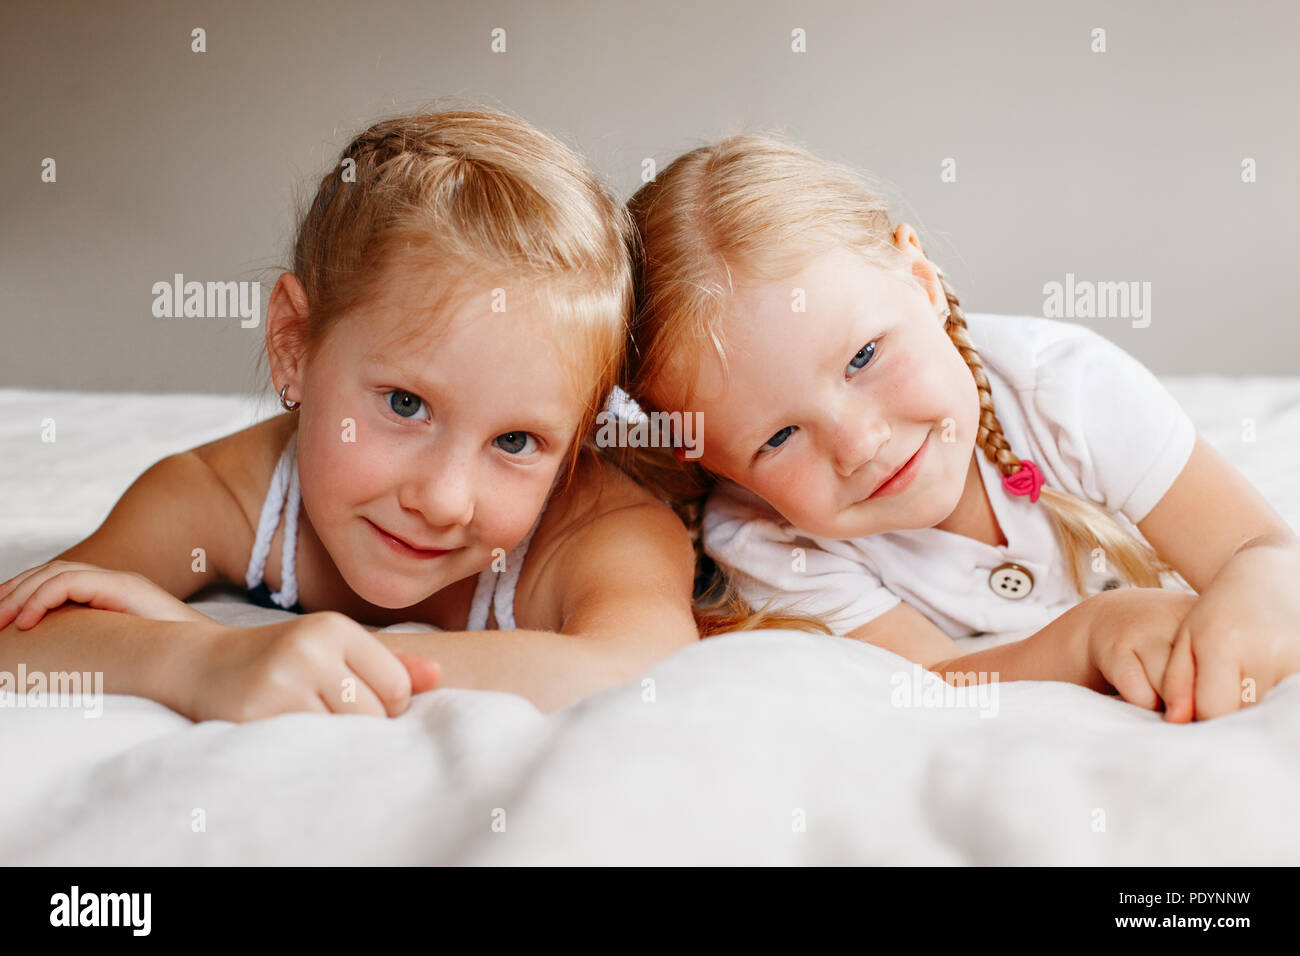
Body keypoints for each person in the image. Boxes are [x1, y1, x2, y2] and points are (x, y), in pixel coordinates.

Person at [0, 106, 698, 721]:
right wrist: (201, 665)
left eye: (516, 440)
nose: (445, 500)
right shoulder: (222, 496)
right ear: (294, 345)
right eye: (406, 405)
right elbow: (21, 634)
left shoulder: (604, 528)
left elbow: (627, 669)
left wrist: (276, 653)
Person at [616, 131, 1300, 721]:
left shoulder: (1067, 389)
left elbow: (1264, 548)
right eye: (778, 438)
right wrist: (1087, 636)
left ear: (921, 282)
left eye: (862, 357)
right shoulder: (767, 539)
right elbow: (935, 682)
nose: (859, 445)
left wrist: (1261, 591)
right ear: (701, 459)